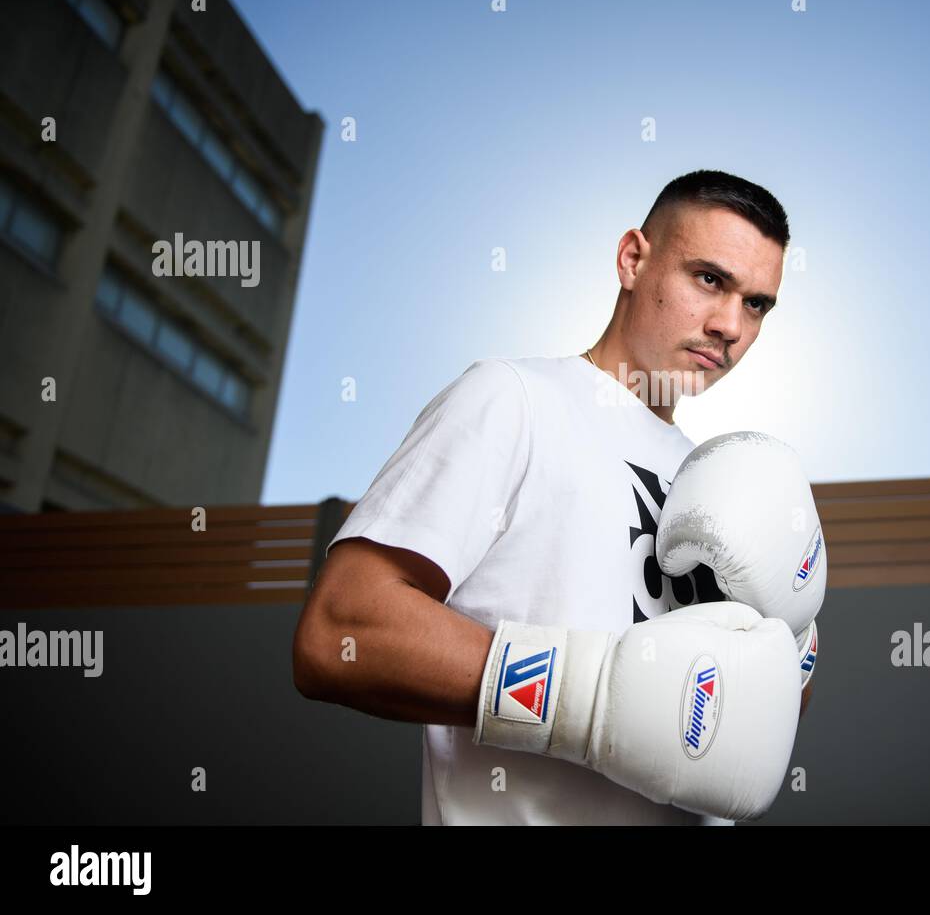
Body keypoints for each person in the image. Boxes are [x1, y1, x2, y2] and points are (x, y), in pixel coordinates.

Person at [292, 169, 813, 824]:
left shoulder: (716, 482)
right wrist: (587, 699)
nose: (731, 325)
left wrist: (795, 633)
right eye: (709, 279)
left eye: (757, 304)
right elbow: (342, 632)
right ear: (633, 260)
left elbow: (750, 730)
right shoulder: (514, 400)